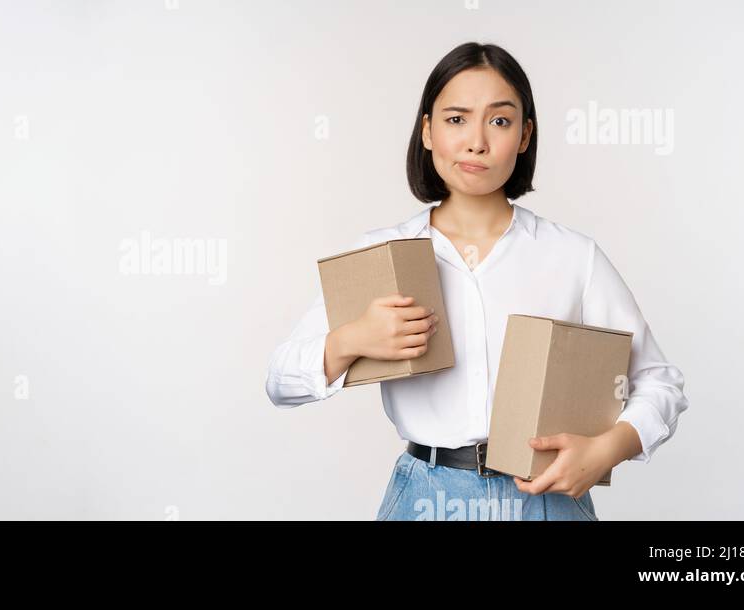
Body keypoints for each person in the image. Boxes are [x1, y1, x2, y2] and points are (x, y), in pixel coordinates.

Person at [264, 42, 689, 521]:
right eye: (455, 119)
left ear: (525, 136)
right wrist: (351, 340)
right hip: (425, 498)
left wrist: (607, 449)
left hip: (546, 500)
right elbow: (280, 382)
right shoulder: (384, 257)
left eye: (500, 121)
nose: (477, 142)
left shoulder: (573, 256)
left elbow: (659, 382)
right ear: (426, 131)